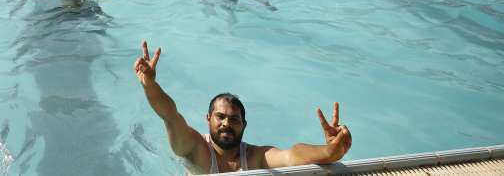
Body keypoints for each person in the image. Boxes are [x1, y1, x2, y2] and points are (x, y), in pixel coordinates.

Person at [134, 41, 352, 174]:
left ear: (244, 125)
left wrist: (330, 152)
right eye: (220, 117)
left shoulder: (255, 156)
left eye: (234, 119)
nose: (226, 123)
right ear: (208, 118)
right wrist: (151, 85)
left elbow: (291, 156)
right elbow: (169, 115)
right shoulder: (195, 148)